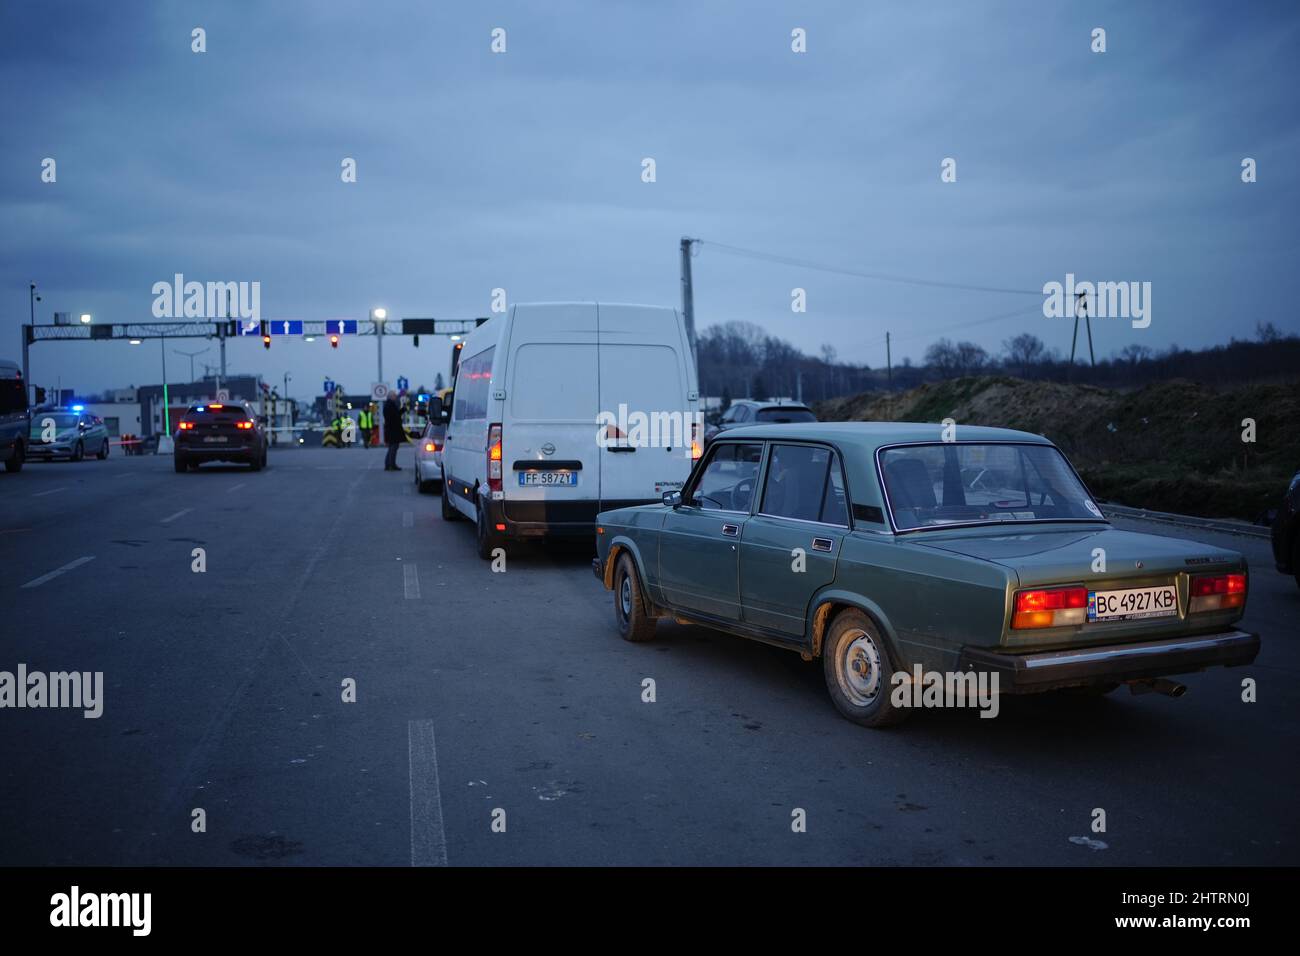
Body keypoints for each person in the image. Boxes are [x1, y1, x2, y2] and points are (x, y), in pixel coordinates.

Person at [382, 393, 403, 470]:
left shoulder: (387, 405)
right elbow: (395, 417)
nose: (396, 397)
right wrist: (401, 411)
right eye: (394, 396)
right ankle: (392, 465)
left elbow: (394, 415)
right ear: (391, 397)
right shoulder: (390, 405)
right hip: (393, 430)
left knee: (391, 447)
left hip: (390, 430)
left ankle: (388, 464)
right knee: (394, 447)